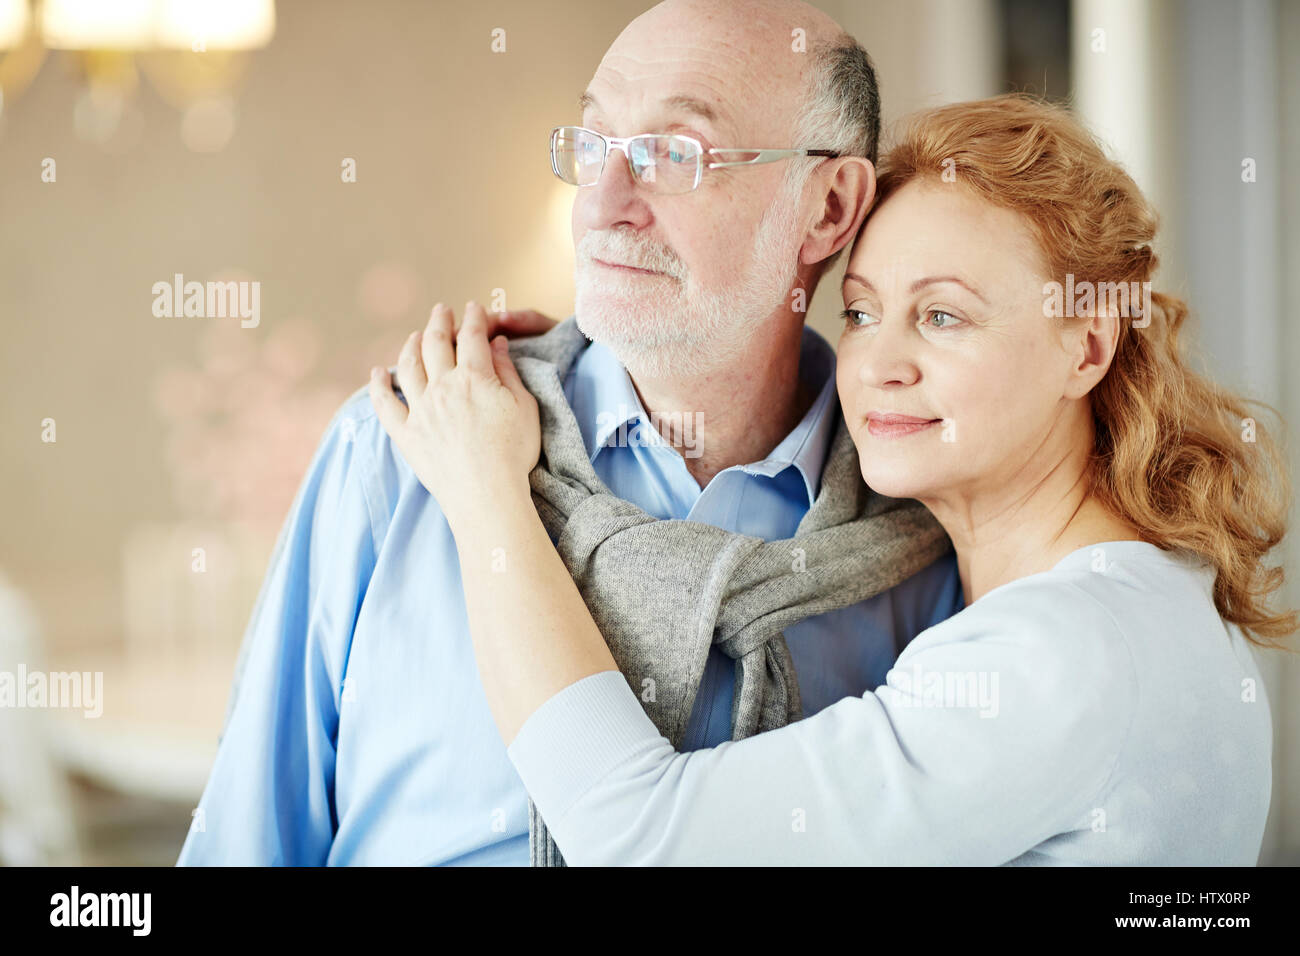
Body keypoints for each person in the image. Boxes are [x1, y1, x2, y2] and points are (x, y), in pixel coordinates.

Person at [368, 94, 1295, 865]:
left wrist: (485, 492)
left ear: (1086, 345)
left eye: (942, 315)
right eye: (861, 311)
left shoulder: (1062, 653)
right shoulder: (1146, 595)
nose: (878, 363)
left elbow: (638, 836)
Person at [177, 0, 961, 866]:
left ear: (827, 207)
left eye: (671, 154)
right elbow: (244, 846)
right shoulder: (396, 447)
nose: (602, 207)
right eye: (594, 146)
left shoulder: (922, 531)